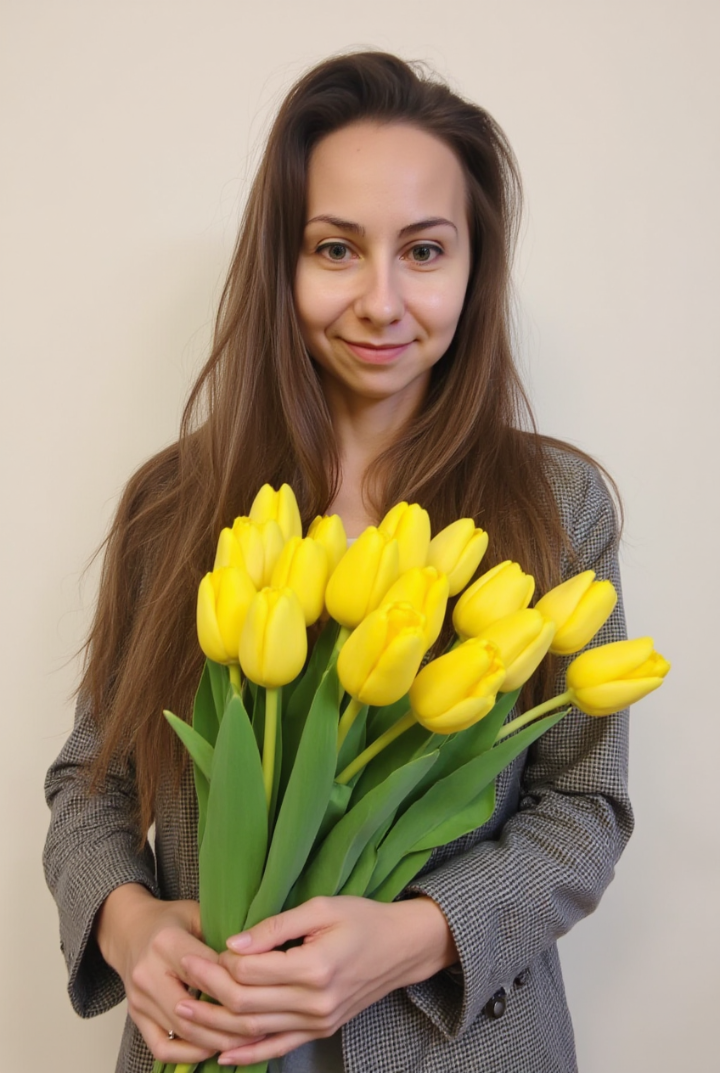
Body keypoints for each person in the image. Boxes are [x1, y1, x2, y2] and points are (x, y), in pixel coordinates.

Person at [43, 51, 633, 1073]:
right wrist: (128, 923)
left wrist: (411, 936)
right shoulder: (176, 504)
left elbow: (585, 808)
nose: (380, 300)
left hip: (458, 1044)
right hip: (210, 1036)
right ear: (282, 260)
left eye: (425, 250)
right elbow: (89, 783)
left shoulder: (553, 506)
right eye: (335, 248)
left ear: (474, 267)